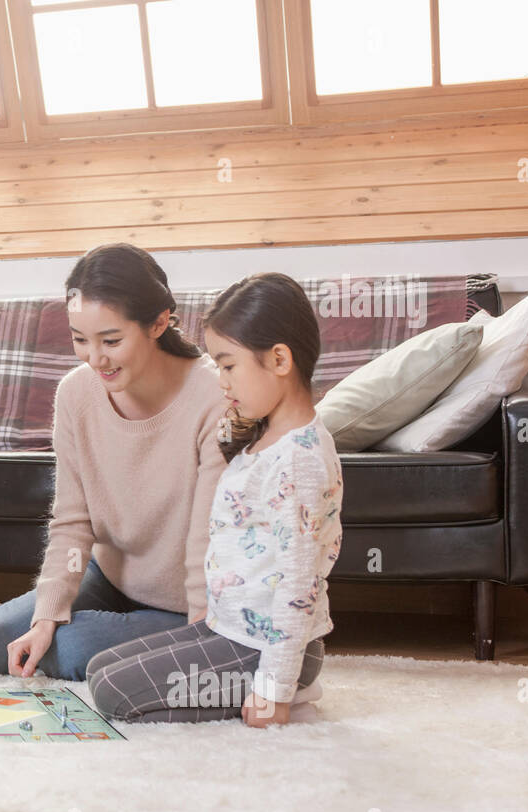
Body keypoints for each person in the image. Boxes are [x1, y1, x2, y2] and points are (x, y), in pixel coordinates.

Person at [87, 273, 343, 727]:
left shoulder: (301, 459)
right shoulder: (264, 437)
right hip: (228, 628)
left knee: (112, 694)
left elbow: (299, 586)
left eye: (228, 365)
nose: (221, 381)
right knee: (97, 669)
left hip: (267, 649)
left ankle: (293, 687)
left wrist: (274, 690)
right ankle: (267, 681)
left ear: (279, 359)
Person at [0, 243, 227, 681]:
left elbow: (209, 539)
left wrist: (201, 635)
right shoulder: (76, 393)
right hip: (109, 577)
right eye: (80, 339)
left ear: (160, 322)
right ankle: (61, 623)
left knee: (74, 648)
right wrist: (46, 615)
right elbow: (72, 521)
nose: (94, 358)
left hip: (186, 605)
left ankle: (101, 636)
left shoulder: (214, 398)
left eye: (111, 341)